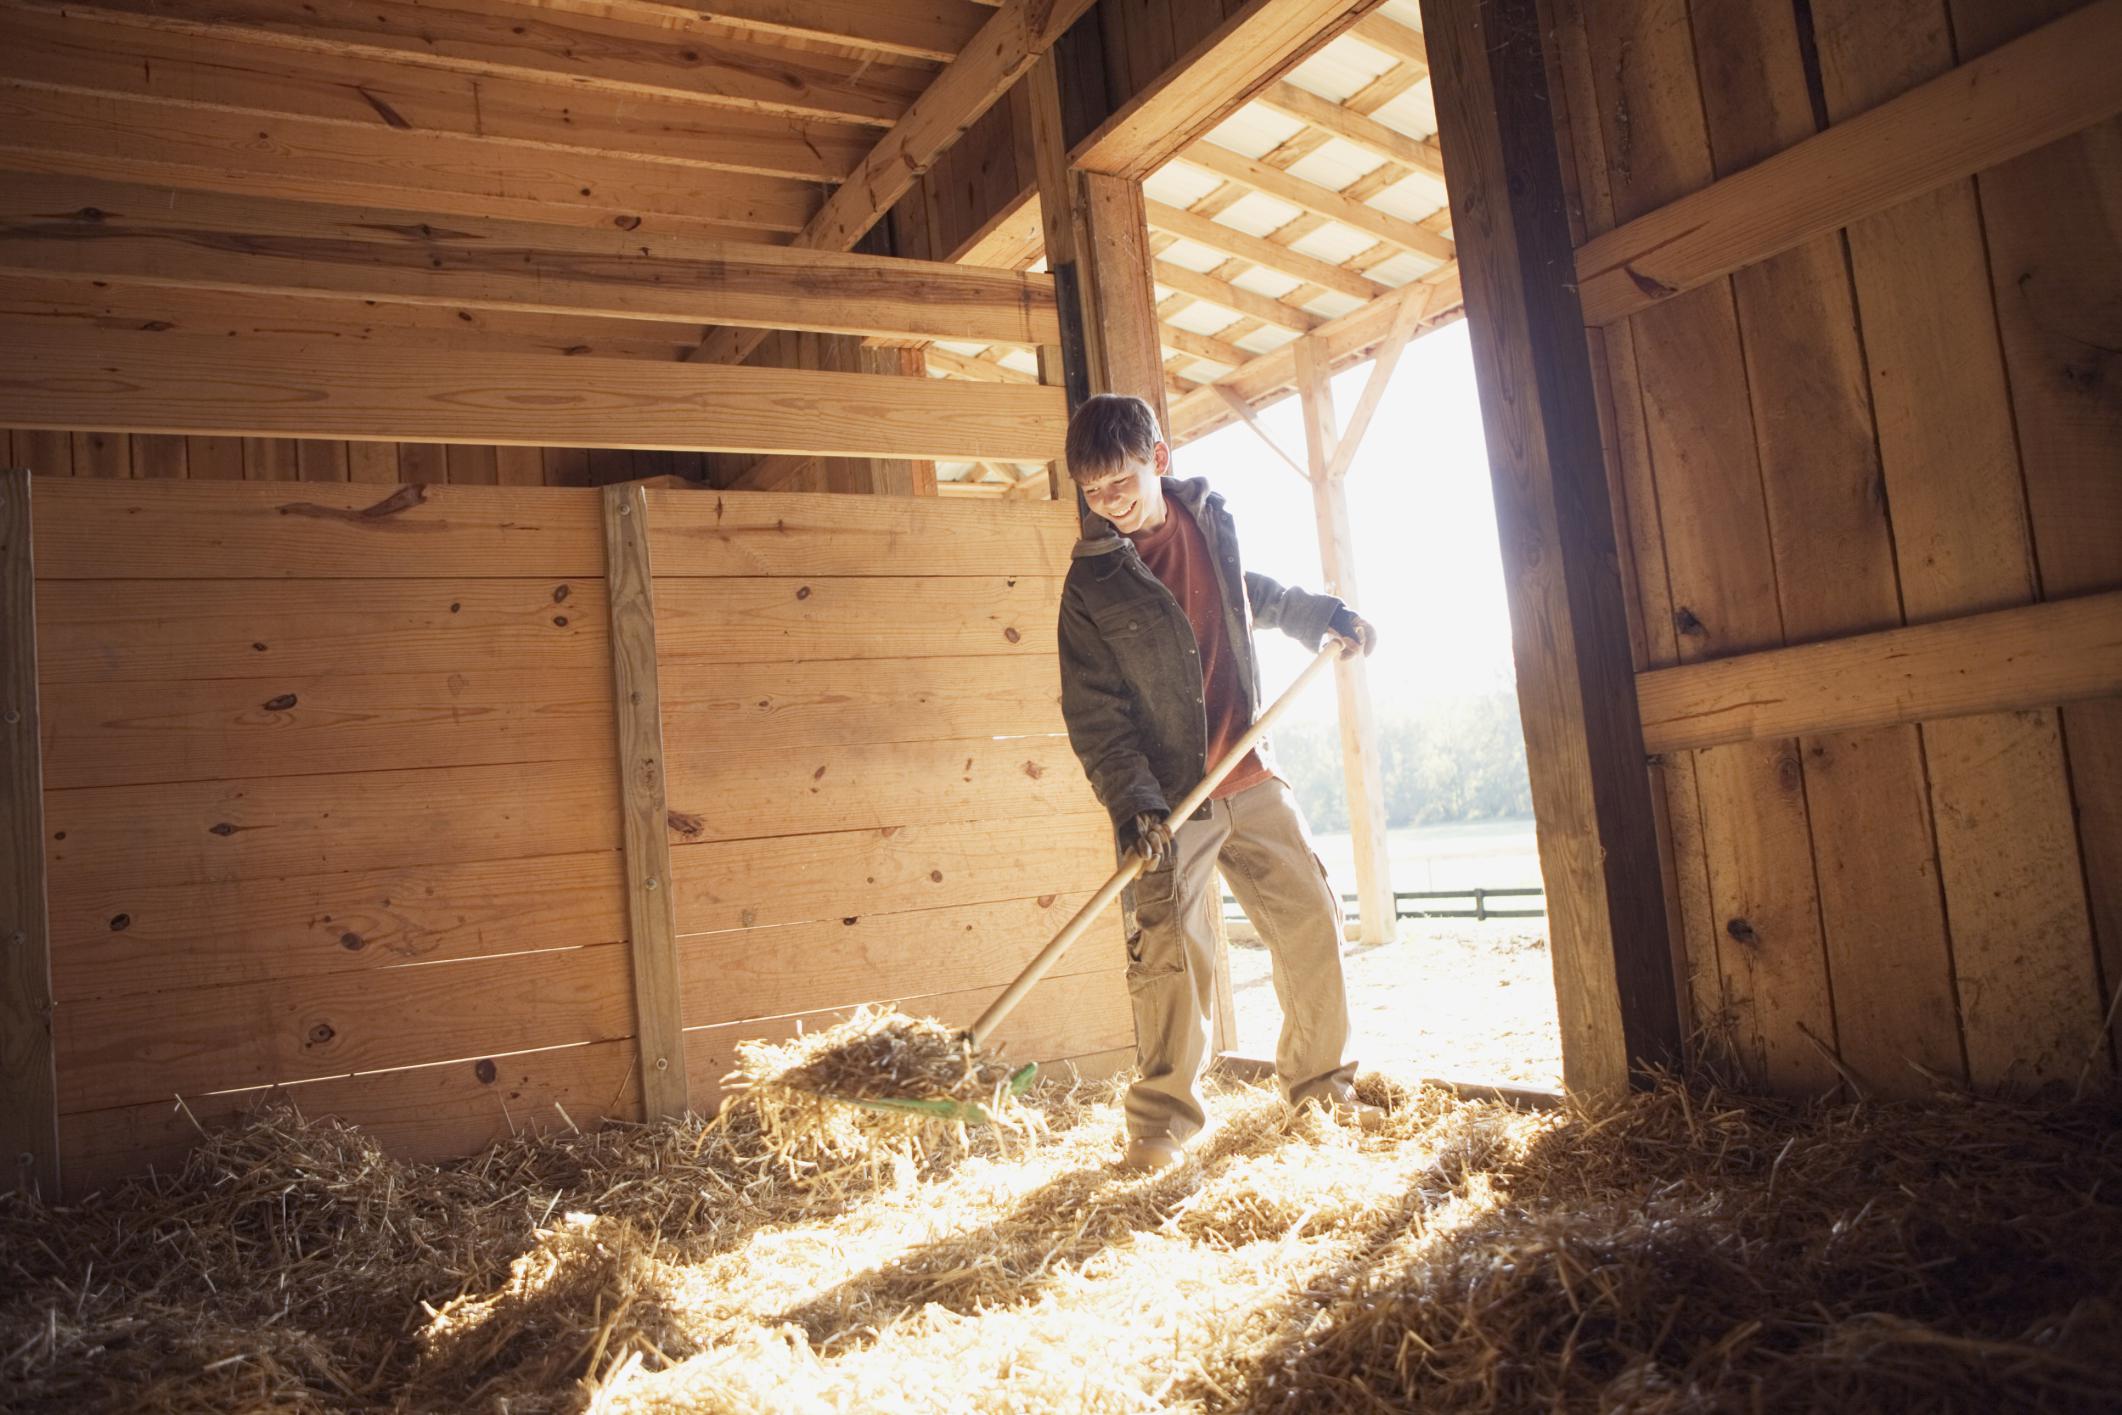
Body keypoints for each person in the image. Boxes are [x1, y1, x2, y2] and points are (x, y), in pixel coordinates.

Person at [1055, 393, 1384, 1173]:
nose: (1109, 503)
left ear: (1158, 461)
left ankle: (1320, 1087)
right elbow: (1096, 715)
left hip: (1249, 768)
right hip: (1168, 801)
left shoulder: (1210, 521)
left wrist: (1322, 613)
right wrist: (1135, 803)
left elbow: (1253, 595)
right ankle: (1162, 1126)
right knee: (1172, 956)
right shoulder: (1092, 588)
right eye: (1094, 491)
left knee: (1310, 915)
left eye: (1121, 482)